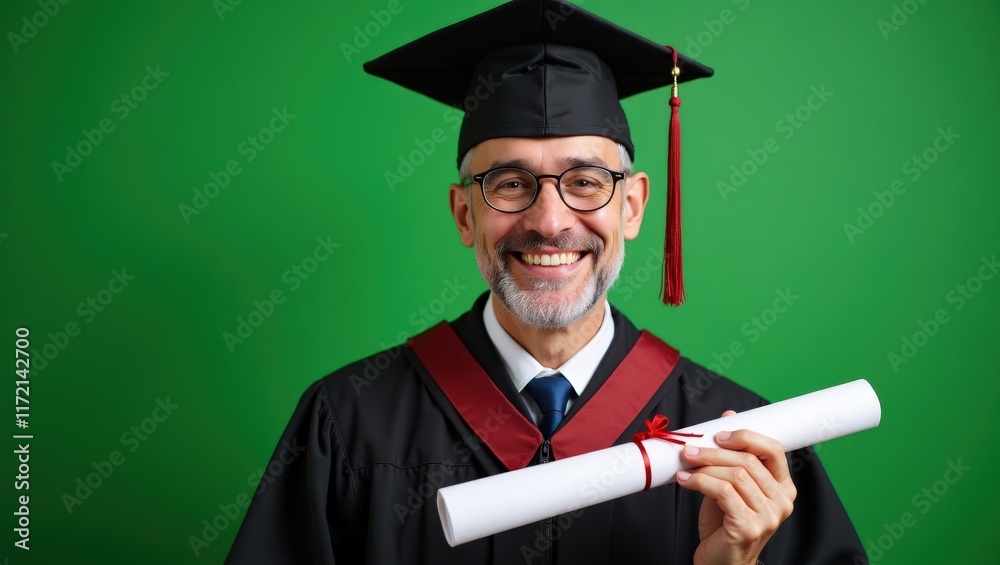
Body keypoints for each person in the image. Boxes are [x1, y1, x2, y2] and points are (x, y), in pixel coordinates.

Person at [227, 1, 866, 563]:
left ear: (634, 207)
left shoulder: (741, 441)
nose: (550, 221)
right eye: (509, 184)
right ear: (463, 213)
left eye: (585, 181)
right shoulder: (348, 422)